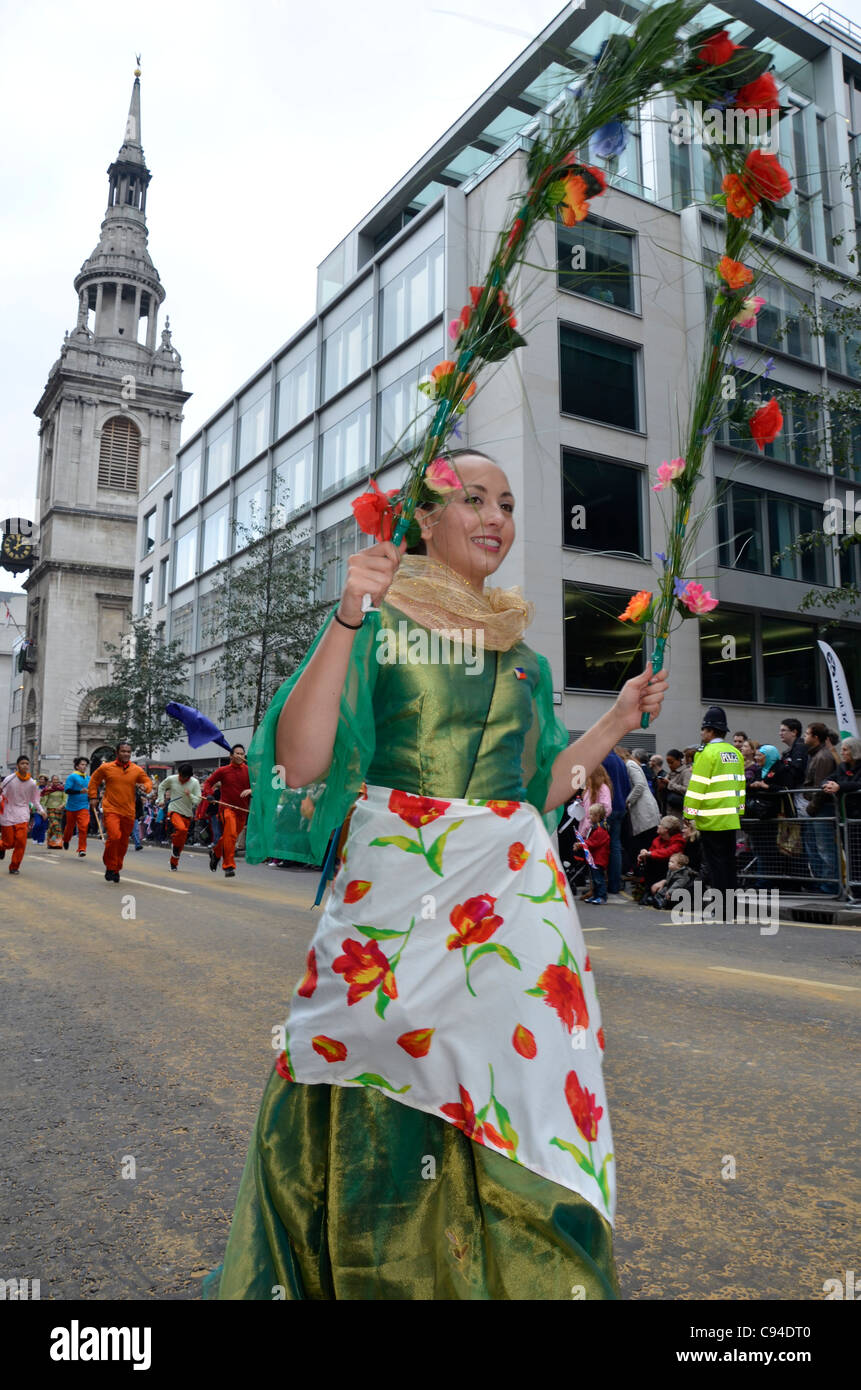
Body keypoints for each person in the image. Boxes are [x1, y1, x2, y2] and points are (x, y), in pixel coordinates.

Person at [205, 450, 667, 1302]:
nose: (494, 517)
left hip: (512, 901)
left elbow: (538, 788)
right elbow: (302, 762)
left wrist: (616, 717)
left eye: (506, 502)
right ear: (420, 518)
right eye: (471, 500)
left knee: (523, 1083)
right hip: (395, 899)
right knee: (367, 1057)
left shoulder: (523, 659)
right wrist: (346, 615)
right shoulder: (378, 622)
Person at [683, 706, 745, 906]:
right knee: (728, 863)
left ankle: (722, 909)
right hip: (731, 817)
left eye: (703, 729)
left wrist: (689, 813)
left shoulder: (706, 753)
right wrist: (739, 810)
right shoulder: (735, 753)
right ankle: (731, 907)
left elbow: (697, 786)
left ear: (709, 730)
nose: (701, 733)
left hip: (711, 817)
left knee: (715, 864)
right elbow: (740, 784)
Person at [88, 741, 153, 883]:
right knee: (114, 837)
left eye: (128, 752)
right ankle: (110, 865)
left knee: (123, 842)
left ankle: (116, 868)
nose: (126, 754)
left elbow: (148, 782)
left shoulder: (136, 769)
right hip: (111, 809)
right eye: (123, 751)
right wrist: (93, 796)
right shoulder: (106, 768)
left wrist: (145, 787)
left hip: (129, 811)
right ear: (117, 753)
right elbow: (94, 781)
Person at [802, 723, 841, 894]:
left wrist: (811, 808)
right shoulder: (816, 755)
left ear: (816, 737)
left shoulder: (823, 757)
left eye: (807, 733)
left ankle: (829, 883)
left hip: (820, 808)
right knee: (815, 847)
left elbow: (820, 787)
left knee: (824, 848)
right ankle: (821, 882)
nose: (805, 736)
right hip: (816, 808)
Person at [203, 746, 252, 879]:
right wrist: (209, 795)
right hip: (227, 808)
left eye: (242, 754)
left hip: (242, 810)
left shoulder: (249, 771)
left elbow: (259, 784)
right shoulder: (223, 771)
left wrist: (252, 790)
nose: (240, 756)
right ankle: (228, 866)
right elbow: (208, 783)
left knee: (229, 838)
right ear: (231, 756)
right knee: (229, 834)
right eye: (237, 753)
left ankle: (216, 853)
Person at [822, 737, 861, 899]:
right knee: (850, 855)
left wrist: (840, 787)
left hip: (858, 818)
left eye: (845, 749)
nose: (842, 752)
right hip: (846, 818)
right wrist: (827, 785)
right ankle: (855, 889)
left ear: (854, 751)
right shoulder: (842, 767)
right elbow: (827, 779)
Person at [0, 755, 43, 874]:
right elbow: (1, 795)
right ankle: (2, 846)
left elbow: (35, 800)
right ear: (17, 765)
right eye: (22, 763)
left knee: (21, 842)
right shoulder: (9, 779)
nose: (25, 765)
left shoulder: (32, 783)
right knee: (9, 843)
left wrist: (41, 811)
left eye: (26, 763)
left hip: (23, 815)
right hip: (7, 814)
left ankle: (14, 866)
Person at [157, 763, 203, 871]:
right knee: (181, 829)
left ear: (190, 776)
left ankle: (174, 863)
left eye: (186, 777)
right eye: (181, 776)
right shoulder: (171, 779)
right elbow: (161, 786)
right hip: (174, 810)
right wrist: (161, 800)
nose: (183, 779)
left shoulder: (195, 783)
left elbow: (198, 800)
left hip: (187, 814)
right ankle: (174, 841)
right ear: (179, 774)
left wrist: (190, 795)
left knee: (181, 843)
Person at [619, 745, 660, 861]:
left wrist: (628, 801)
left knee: (646, 841)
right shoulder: (631, 764)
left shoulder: (629, 765)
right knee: (644, 841)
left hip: (643, 809)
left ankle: (644, 874)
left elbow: (639, 785)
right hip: (643, 808)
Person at [601, 748, 630, 898]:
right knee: (615, 845)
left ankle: (601, 883)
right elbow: (627, 786)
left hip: (607, 807)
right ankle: (614, 883)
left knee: (602, 846)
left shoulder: (602, 759)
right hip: (620, 806)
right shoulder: (620, 761)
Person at [635, 815, 686, 893]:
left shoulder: (678, 841)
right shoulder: (657, 839)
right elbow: (652, 852)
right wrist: (643, 855)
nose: (658, 826)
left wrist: (649, 854)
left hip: (669, 871)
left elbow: (667, 853)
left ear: (666, 829)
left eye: (661, 825)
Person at [582, 803, 610, 905]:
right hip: (595, 858)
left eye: (592, 815)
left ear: (597, 816)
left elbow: (593, 842)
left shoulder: (599, 829)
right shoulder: (597, 827)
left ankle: (602, 897)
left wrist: (582, 844)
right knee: (594, 879)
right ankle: (596, 895)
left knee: (598, 879)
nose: (589, 817)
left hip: (599, 858)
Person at [63, 756, 91, 856]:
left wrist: (93, 798)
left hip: (83, 806)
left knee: (83, 827)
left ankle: (82, 849)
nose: (84, 767)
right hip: (71, 807)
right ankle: (66, 840)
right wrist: (79, 791)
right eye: (82, 765)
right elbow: (67, 790)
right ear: (77, 766)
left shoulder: (89, 778)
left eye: (85, 765)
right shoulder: (72, 777)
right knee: (69, 827)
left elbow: (92, 791)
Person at [779, 717, 808, 794]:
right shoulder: (790, 750)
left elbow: (797, 770)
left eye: (783, 730)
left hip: (800, 791)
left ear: (794, 732)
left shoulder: (800, 748)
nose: (780, 733)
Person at [661, 748, 690, 815]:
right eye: (668, 763)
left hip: (680, 812)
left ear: (679, 760)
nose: (669, 765)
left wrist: (669, 783)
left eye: (671, 762)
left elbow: (687, 790)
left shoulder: (686, 772)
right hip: (668, 810)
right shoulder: (670, 773)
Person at [43, 775, 67, 848]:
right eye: (54, 780)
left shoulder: (62, 789)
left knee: (53, 826)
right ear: (52, 780)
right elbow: (44, 799)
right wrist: (43, 810)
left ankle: (53, 843)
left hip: (59, 809)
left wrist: (62, 805)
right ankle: (56, 842)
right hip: (50, 809)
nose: (55, 781)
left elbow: (65, 798)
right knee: (56, 825)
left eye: (57, 780)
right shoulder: (48, 789)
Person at [30, 775, 49, 844]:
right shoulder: (36, 788)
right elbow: (32, 798)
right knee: (37, 824)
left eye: (43, 779)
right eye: (40, 779)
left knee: (43, 825)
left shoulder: (48, 789)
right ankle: (35, 837)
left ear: (45, 781)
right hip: (37, 808)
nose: (41, 781)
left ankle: (41, 840)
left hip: (46, 808)